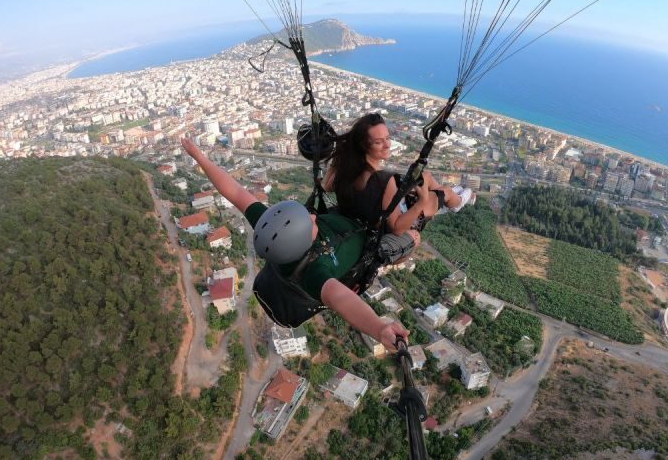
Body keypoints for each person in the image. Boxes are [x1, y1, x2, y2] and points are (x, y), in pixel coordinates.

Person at [181, 137, 409, 352]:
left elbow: (236, 192)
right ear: (301, 243)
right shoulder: (313, 274)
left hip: (349, 222)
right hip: (371, 245)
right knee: (411, 237)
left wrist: (199, 157)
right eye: (309, 223)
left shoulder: (273, 227)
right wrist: (379, 328)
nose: (312, 217)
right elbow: (341, 300)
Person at [325, 113, 472, 259]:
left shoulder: (347, 166)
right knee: (444, 192)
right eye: (378, 142)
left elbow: (328, 186)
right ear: (364, 146)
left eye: (387, 138)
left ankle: (451, 198)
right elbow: (397, 228)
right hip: (385, 227)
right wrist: (421, 201)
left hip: (368, 214)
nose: (388, 144)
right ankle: (458, 203)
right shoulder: (383, 180)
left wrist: (340, 155)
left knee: (425, 176)